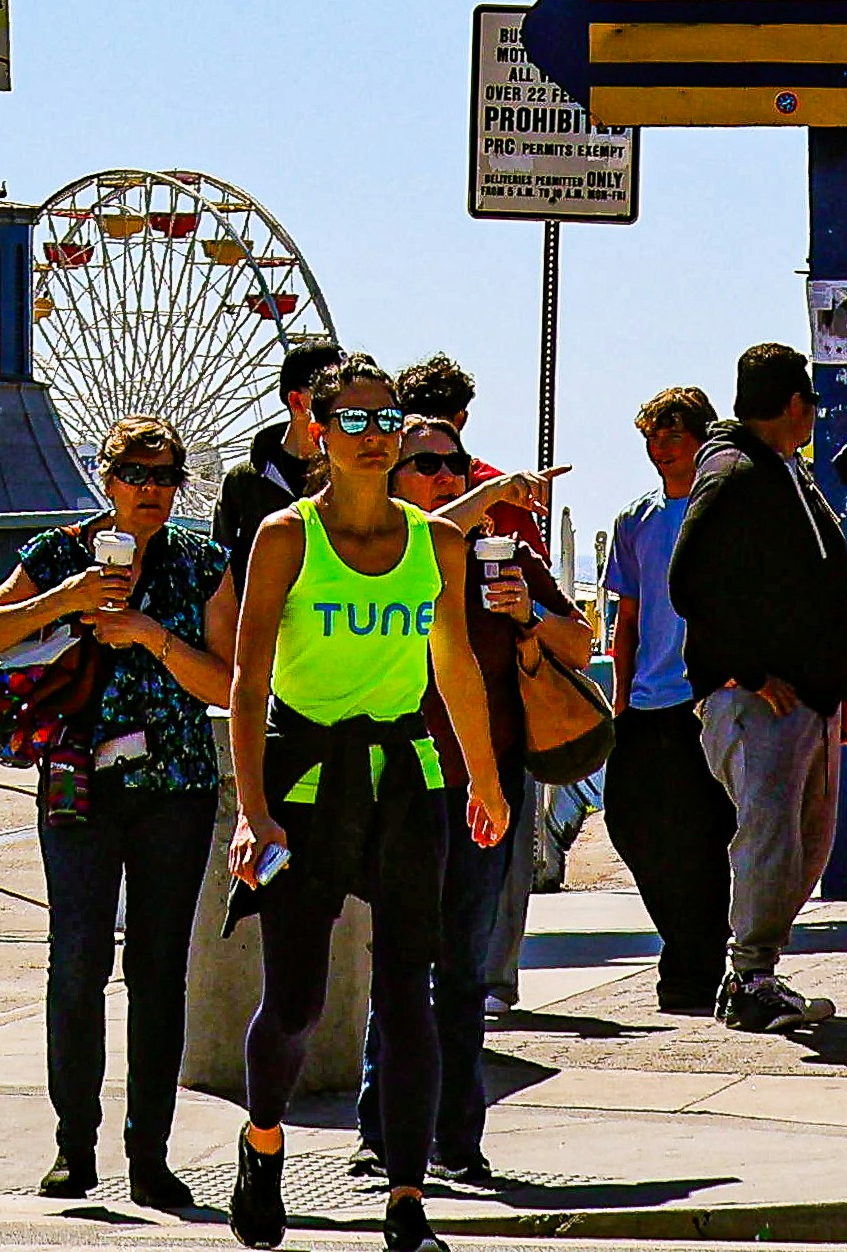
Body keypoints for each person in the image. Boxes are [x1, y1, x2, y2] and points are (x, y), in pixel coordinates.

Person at [221, 353, 508, 1252]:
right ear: (319, 429)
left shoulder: (439, 543)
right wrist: (250, 808)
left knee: (409, 992)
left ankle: (407, 1197)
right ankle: (262, 1142)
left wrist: (487, 778)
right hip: (304, 780)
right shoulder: (284, 537)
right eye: (354, 420)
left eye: (387, 420)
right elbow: (249, 674)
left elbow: (454, 664)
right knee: (297, 1001)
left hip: (404, 777)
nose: (375, 436)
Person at [0, 413, 237, 1202]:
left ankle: (149, 1156)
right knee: (76, 960)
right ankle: (72, 1147)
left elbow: (233, 680)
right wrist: (67, 595)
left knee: (158, 971)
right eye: (135, 475)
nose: (150, 491)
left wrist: (152, 636)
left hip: (175, 786)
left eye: (165, 477)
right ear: (106, 479)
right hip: (78, 779)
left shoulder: (202, 562)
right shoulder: (57, 551)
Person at [388, 397, 586, 1176]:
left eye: (454, 464)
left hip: (487, 779)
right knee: (401, 963)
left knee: (465, 967)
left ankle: (458, 1138)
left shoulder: (500, 551)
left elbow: (580, 637)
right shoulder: (383, 550)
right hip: (403, 773)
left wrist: (527, 611)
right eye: (426, 464)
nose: (444, 478)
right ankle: (385, 1134)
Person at [674, 338, 847, 1033]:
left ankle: (759, 969)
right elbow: (689, 577)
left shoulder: (785, 470)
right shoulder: (734, 471)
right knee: (769, 837)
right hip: (760, 699)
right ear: (791, 404)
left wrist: (838, 686)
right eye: (809, 402)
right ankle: (748, 977)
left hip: (810, 695)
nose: (814, 415)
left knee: (805, 841)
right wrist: (748, 668)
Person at [597, 386, 734, 1016]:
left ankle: (691, 968)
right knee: (629, 824)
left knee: (707, 838)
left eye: (674, 435)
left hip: (707, 697)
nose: (661, 448)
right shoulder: (636, 520)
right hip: (646, 706)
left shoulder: (726, 507)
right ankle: (690, 946)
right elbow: (626, 615)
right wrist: (620, 700)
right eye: (653, 436)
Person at [211, 335, 346, 561]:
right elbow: (219, 563)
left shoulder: (358, 475)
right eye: (331, 392)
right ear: (296, 401)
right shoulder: (244, 481)